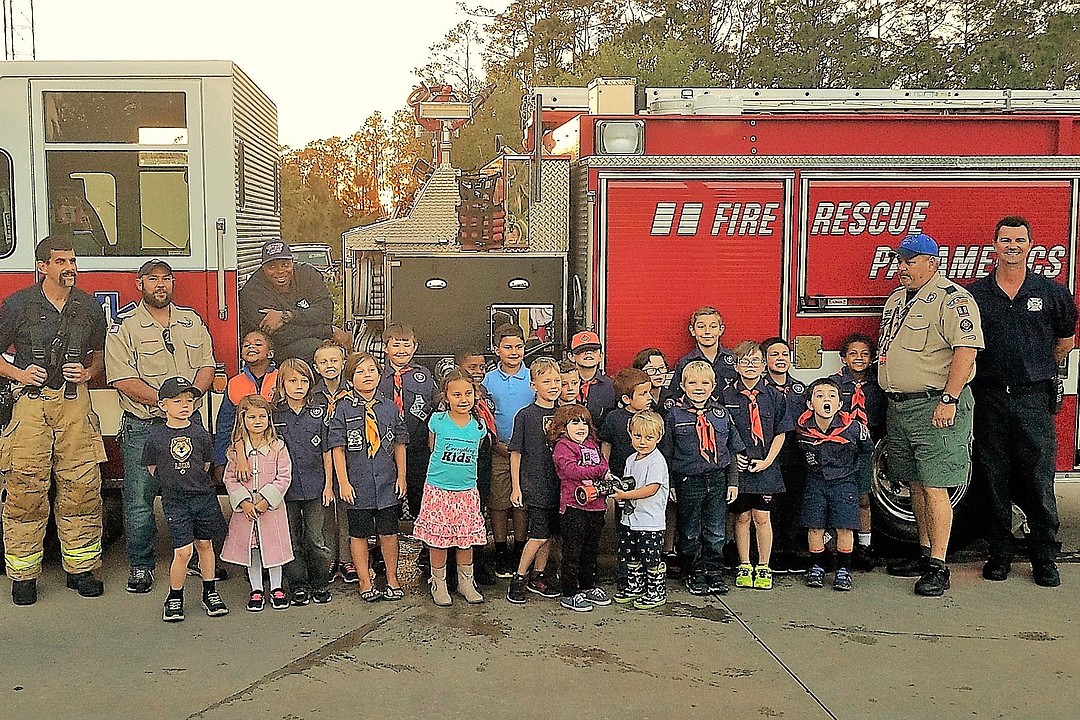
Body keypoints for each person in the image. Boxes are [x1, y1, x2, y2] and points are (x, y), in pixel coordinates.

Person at [969, 215, 1077, 588]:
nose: (1012, 246)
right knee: (992, 478)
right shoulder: (977, 295)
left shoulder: (1051, 293)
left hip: (1033, 398)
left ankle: (1044, 557)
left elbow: (1065, 342)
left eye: (1019, 240)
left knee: (1038, 479)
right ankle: (999, 553)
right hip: (990, 398)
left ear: (1030, 245)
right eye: (1005, 240)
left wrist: (1037, 366)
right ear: (994, 246)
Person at [0, 235, 108, 605]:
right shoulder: (17, 305)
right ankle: (24, 575)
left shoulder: (90, 308)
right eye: (60, 262)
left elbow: (100, 357)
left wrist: (89, 371)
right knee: (25, 488)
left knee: (81, 487)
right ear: (42, 266)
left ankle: (81, 569)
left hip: (75, 405)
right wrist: (19, 375)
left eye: (72, 261)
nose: (69, 268)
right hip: (30, 406)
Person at [878, 233, 984, 597]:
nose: (902, 267)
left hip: (935, 404)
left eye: (910, 261)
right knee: (917, 484)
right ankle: (923, 554)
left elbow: (965, 352)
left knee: (936, 486)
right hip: (902, 406)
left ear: (932, 263)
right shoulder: (896, 300)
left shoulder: (953, 300)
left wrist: (950, 399)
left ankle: (939, 566)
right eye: (900, 261)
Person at [106, 258, 215, 595]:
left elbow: (207, 366)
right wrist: (166, 403)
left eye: (166, 279)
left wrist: (188, 401)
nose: (161, 285)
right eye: (153, 280)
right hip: (144, 426)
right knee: (139, 497)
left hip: (189, 425)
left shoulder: (191, 321)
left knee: (195, 490)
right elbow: (121, 377)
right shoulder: (123, 325)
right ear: (139, 284)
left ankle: (199, 556)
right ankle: (141, 565)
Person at [143, 377, 229, 622]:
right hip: (175, 500)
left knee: (205, 545)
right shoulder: (156, 436)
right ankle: (174, 596)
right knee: (182, 551)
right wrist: (173, 482)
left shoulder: (200, 433)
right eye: (177, 401)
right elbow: (152, 467)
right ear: (163, 405)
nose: (185, 405)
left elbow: (205, 464)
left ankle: (209, 592)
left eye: (190, 400)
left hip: (202, 498)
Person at [328, 352, 408, 603]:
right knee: (359, 534)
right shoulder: (342, 408)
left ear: (379, 374)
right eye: (360, 372)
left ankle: (392, 579)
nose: (367, 376)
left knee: (388, 533)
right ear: (350, 379)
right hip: (357, 483)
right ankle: (365, 580)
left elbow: (399, 443)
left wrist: (401, 477)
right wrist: (343, 482)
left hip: (386, 482)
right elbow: (337, 448)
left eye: (371, 370)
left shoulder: (388, 408)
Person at [661, 360, 744, 596]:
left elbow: (731, 450)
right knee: (689, 530)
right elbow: (667, 453)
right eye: (693, 382)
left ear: (713, 385)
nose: (699, 387)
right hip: (688, 481)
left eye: (705, 383)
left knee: (716, 530)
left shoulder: (721, 414)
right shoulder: (674, 415)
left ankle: (714, 572)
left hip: (717, 479)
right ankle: (694, 572)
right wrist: (672, 484)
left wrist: (733, 481)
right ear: (683, 386)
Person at [413, 369, 488, 606]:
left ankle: (466, 582)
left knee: (465, 539)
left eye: (468, 393)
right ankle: (439, 583)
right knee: (439, 540)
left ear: (476, 395)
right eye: (456, 394)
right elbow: (432, 447)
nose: (463, 399)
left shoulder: (479, 426)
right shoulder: (437, 421)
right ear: (446, 397)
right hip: (438, 489)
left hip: (466, 490)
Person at [723, 341, 792, 591]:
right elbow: (724, 432)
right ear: (737, 366)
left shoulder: (774, 396)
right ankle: (744, 564)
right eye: (744, 362)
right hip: (739, 468)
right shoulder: (727, 395)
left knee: (762, 517)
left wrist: (768, 461)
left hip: (766, 465)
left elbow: (781, 433)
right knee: (741, 517)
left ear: (764, 365)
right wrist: (735, 456)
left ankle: (763, 564)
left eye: (755, 362)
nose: (750, 366)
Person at [796, 378, 873, 591]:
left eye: (831, 396)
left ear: (840, 404)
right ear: (810, 404)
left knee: (845, 527)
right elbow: (799, 452)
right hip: (816, 482)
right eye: (819, 396)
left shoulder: (854, 428)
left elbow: (867, 452)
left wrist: (862, 483)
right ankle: (817, 567)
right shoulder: (802, 430)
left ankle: (843, 570)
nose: (826, 400)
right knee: (815, 526)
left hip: (845, 482)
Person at [221, 395, 294, 612]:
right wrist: (244, 502)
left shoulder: (278, 446)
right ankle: (256, 589)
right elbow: (230, 478)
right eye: (251, 417)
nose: (258, 421)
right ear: (242, 420)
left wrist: (266, 501)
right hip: (247, 511)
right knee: (251, 550)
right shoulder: (236, 451)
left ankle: (277, 588)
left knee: (274, 549)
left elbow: (284, 476)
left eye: (262, 416)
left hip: (270, 510)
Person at [273, 359, 333, 606]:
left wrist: (329, 484)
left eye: (304, 380)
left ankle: (320, 582)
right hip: (284, 489)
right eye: (293, 381)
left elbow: (327, 450)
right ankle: (297, 584)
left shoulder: (319, 411)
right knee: (290, 538)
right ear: (282, 384)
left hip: (315, 485)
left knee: (315, 538)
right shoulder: (274, 414)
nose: (299, 386)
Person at [506, 357, 563, 604]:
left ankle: (538, 576)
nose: (553, 385)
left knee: (549, 535)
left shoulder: (565, 414)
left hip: (561, 485)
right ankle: (518, 577)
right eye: (547, 380)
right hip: (536, 485)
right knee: (538, 535)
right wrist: (516, 487)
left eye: (557, 380)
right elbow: (515, 452)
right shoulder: (525, 416)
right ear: (533, 385)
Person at [550, 404, 613, 612]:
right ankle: (569, 592)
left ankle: (588, 586)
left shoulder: (592, 445)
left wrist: (600, 471)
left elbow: (604, 465)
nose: (581, 427)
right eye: (574, 422)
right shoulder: (563, 447)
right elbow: (571, 470)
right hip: (573, 507)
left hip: (596, 507)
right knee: (572, 551)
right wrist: (597, 472)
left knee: (590, 549)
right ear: (562, 427)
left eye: (585, 422)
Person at [483, 323, 533, 577]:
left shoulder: (533, 377)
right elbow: (483, 414)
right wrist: (496, 443)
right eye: (507, 347)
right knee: (499, 501)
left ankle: (519, 549)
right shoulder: (488, 380)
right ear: (497, 349)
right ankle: (501, 550)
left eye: (518, 346)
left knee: (521, 502)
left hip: (529, 451)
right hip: (499, 450)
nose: (514, 352)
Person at [833, 333, 886, 570]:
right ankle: (837, 546)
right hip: (839, 448)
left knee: (864, 497)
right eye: (853, 354)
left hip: (867, 448)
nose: (859, 358)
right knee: (838, 497)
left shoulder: (879, 385)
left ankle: (865, 546)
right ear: (843, 358)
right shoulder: (833, 385)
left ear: (872, 359)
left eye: (865, 354)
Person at [238, 240, 335, 363]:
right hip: (272, 350)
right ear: (263, 268)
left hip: (305, 337)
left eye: (285, 264)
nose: (280, 271)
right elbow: (281, 335)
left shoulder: (308, 274)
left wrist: (288, 316)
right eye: (272, 267)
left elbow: (326, 312)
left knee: (332, 351)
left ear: (292, 262)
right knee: (316, 348)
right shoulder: (253, 291)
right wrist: (328, 331)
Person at [612, 411, 670, 609]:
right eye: (638, 436)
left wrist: (624, 496)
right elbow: (629, 485)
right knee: (631, 555)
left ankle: (656, 591)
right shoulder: (630, 460)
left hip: (650, 521)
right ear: (630, 434)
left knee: (651, 558)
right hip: (630, 519)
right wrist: (622, 498)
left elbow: (651, 489)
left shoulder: (656, 461)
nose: (642, 442)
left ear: (658, 438)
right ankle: (635, 586)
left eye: (649, 437)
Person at [760, 337, 808, 574]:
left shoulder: (800, 388)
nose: (780, 359)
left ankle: (791, 547)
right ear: (764, 360)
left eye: (784, 354)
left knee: (794, 502)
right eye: (774, 355)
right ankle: (775, 551)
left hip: (796, 455)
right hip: (771, 455)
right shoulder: (760, 389)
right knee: (772, 504)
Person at [377, 323, 434, 520]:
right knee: (387, 497)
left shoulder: (424, 375)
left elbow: (433, 407)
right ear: (385, 347)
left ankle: (426, 546)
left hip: (417, 446)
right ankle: (385, 542)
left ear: (414, 347)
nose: (402, 350)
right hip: (386, 449)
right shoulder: (376, 376)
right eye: (396, 345)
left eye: (406, 344)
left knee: (419, 494)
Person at [310, 340, 356, 584]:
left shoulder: (353, 392)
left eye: (334, 360)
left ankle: (348, 560)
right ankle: (329, 560)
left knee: (347, 512)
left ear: (343, 363)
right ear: (316, 367)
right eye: (324, 362)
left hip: (348, 461)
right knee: (325, 512)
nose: (330, 365)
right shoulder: (312, 395)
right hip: (319, 463)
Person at [455, 350, 497, 586]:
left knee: (477, 516)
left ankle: (478, 566)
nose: (478, 372)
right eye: (472, 367)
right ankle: (451, 571)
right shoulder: (449, 406)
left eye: (482, 367)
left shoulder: (485, 397)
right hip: (457, 470)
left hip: (482, 463)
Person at [213, 329, 278, 470]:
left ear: (270, 353)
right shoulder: (234, 383)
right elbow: (225, 426)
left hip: (276, 453)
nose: (251, 347)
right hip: (242, 456)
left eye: (258, 344)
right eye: (246, 345)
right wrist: (220, 462)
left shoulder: (281, 379)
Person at [664, 307, 736, 402]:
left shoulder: (734, 360)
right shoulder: (684, 363)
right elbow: (674, 396)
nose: (707, 331)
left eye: (713, 326)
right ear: (692, 330)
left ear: (721, 329)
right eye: (701, 327)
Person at [568, 331, 618, 424]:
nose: (588, 353)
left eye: (593, 350)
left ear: (601, 356)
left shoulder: (611, 387)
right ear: (571, 356)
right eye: (582, 350)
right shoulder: (562, 385)